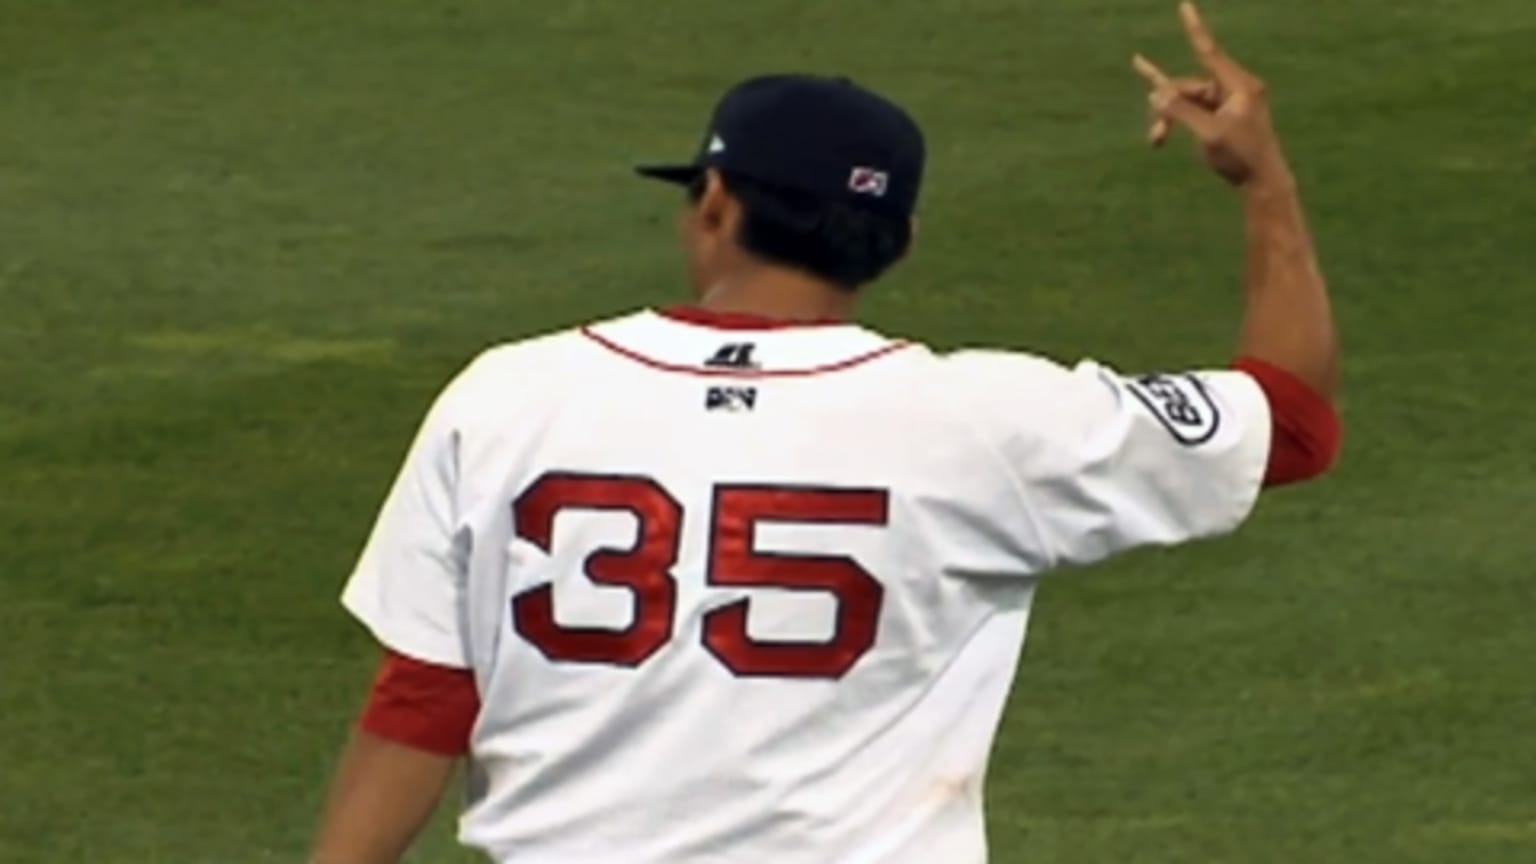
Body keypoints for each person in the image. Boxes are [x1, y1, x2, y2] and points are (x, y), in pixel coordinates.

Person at [311, 4, 1341, 862]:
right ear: (900, 242)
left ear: (714, 203)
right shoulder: (986, 424)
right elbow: (1291, 425)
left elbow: (424, 703)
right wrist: (1264, 183)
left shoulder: (507, 399)